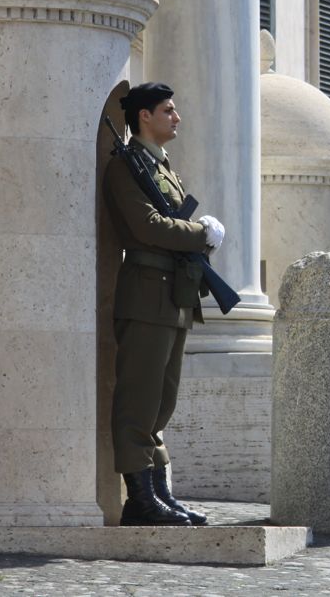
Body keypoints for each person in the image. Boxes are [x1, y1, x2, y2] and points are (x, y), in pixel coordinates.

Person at [104, 82, 225, 527]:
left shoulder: (160, 166)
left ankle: (157, 492)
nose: (176, 118)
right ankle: (139, 499)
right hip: (145, 292)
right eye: (168, 111)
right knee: (139, 399)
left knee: (162, 400)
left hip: (171, 293)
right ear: (144, 118)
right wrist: (201, 234)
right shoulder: (126, 167)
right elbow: (147, 225)